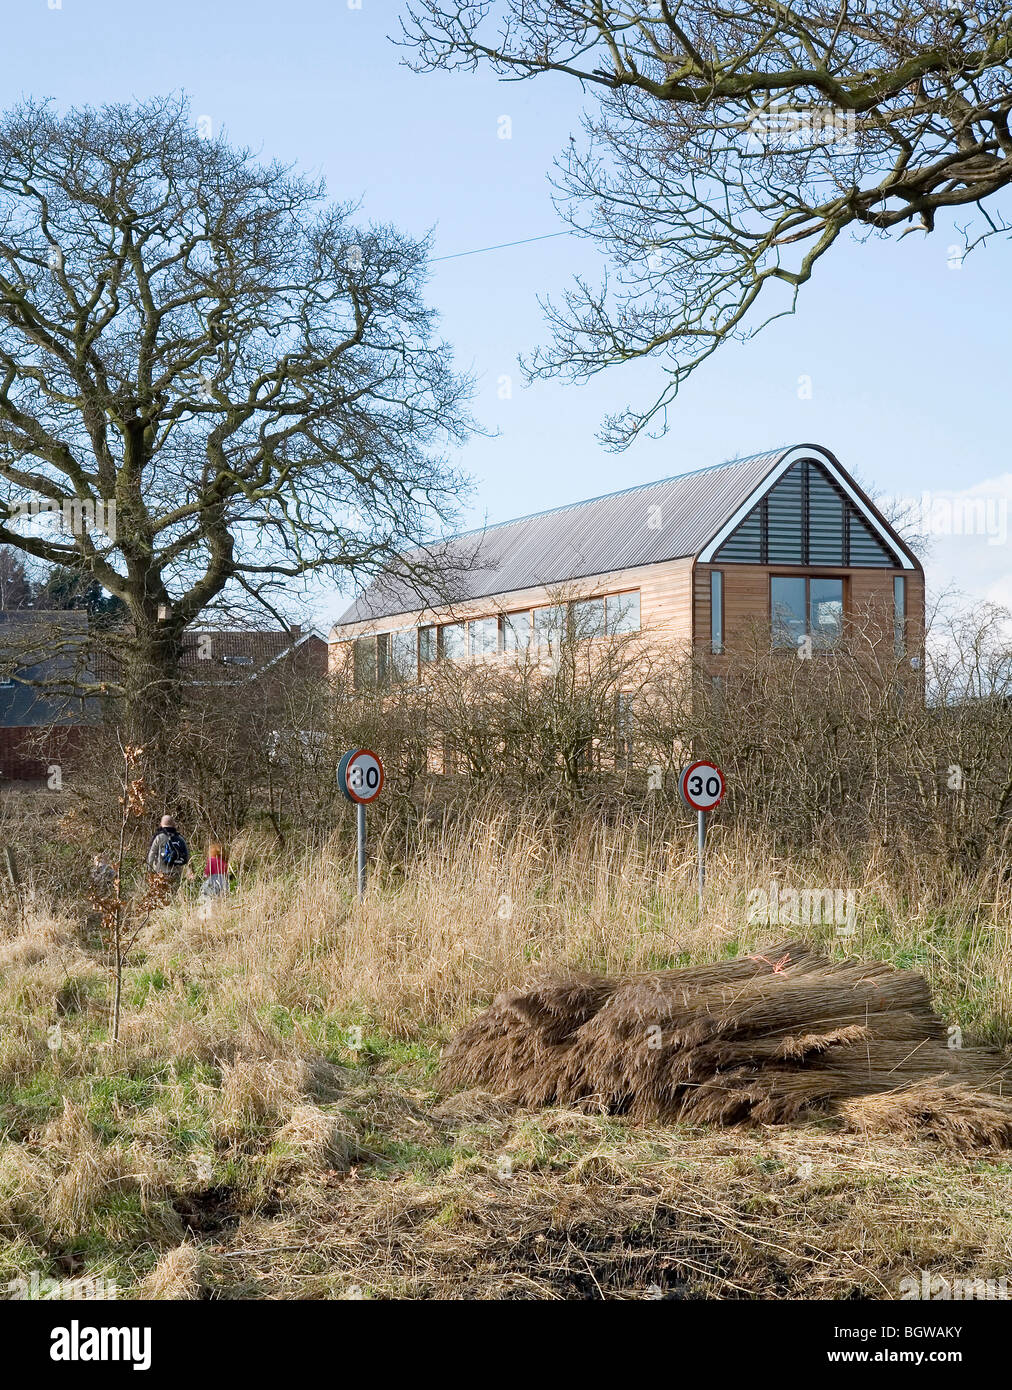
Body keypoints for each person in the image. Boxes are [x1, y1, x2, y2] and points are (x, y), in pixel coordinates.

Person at [146, 815, 190, 883]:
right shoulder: (180, 838)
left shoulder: (159, 837)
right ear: (173, 824)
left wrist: (149, 870)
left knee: (161, 893)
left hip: (161, 873)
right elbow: (187, 856)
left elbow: (152, 853)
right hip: (176, 873)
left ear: (161, 824)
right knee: (174, 892)